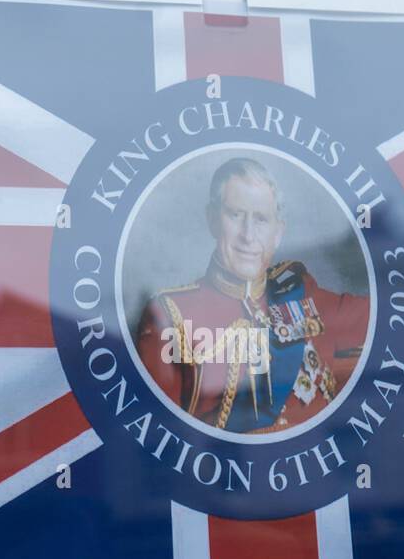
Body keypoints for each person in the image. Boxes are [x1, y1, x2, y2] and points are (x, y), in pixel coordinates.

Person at [135, 157, 368, 434]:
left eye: (261, 219)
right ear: (212, 219)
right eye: (235, 215)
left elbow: (394, 319)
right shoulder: (170, 314)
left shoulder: (302, 294)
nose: (248, 235)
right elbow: (157, 439)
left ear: (278, 233)